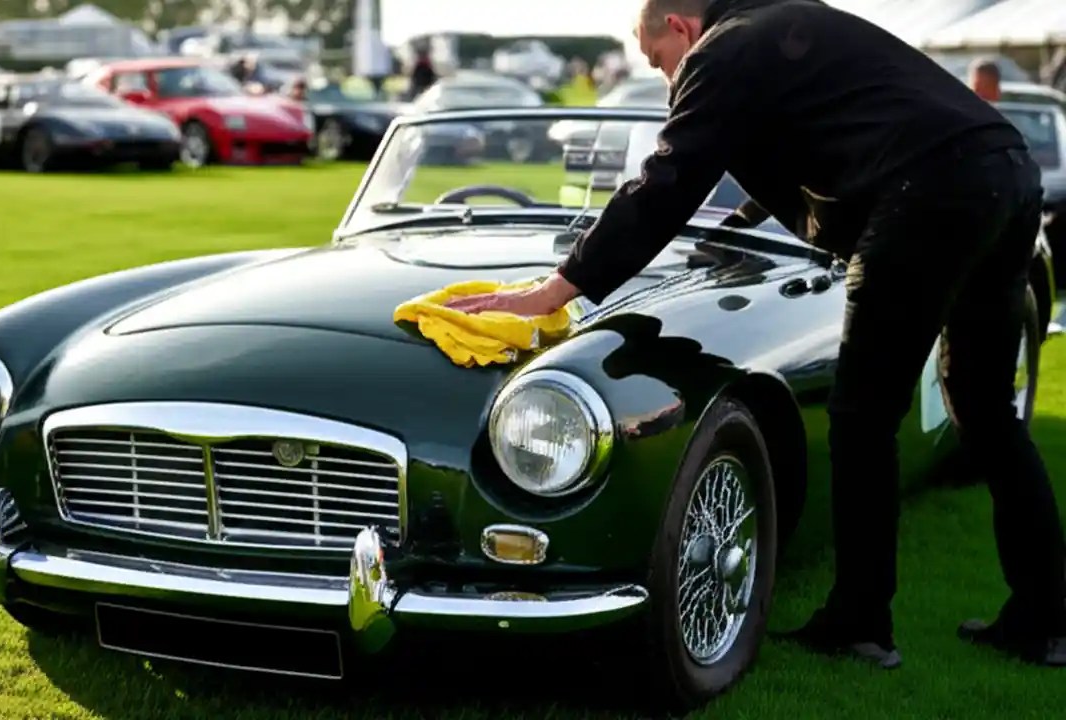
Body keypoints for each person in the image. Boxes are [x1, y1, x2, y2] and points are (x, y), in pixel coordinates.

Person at [448, 0, 1066, 669]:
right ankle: (1046, 620)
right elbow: (815, 131)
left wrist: (555, 288)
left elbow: (667, 180)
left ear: (681, 29)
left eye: (658, 61)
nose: (665, 81)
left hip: (929, 192)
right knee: (985, 408)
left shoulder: (723, 49)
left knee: (862, 417)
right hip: (1006, 171)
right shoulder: (773, 27)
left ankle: (860, 622)